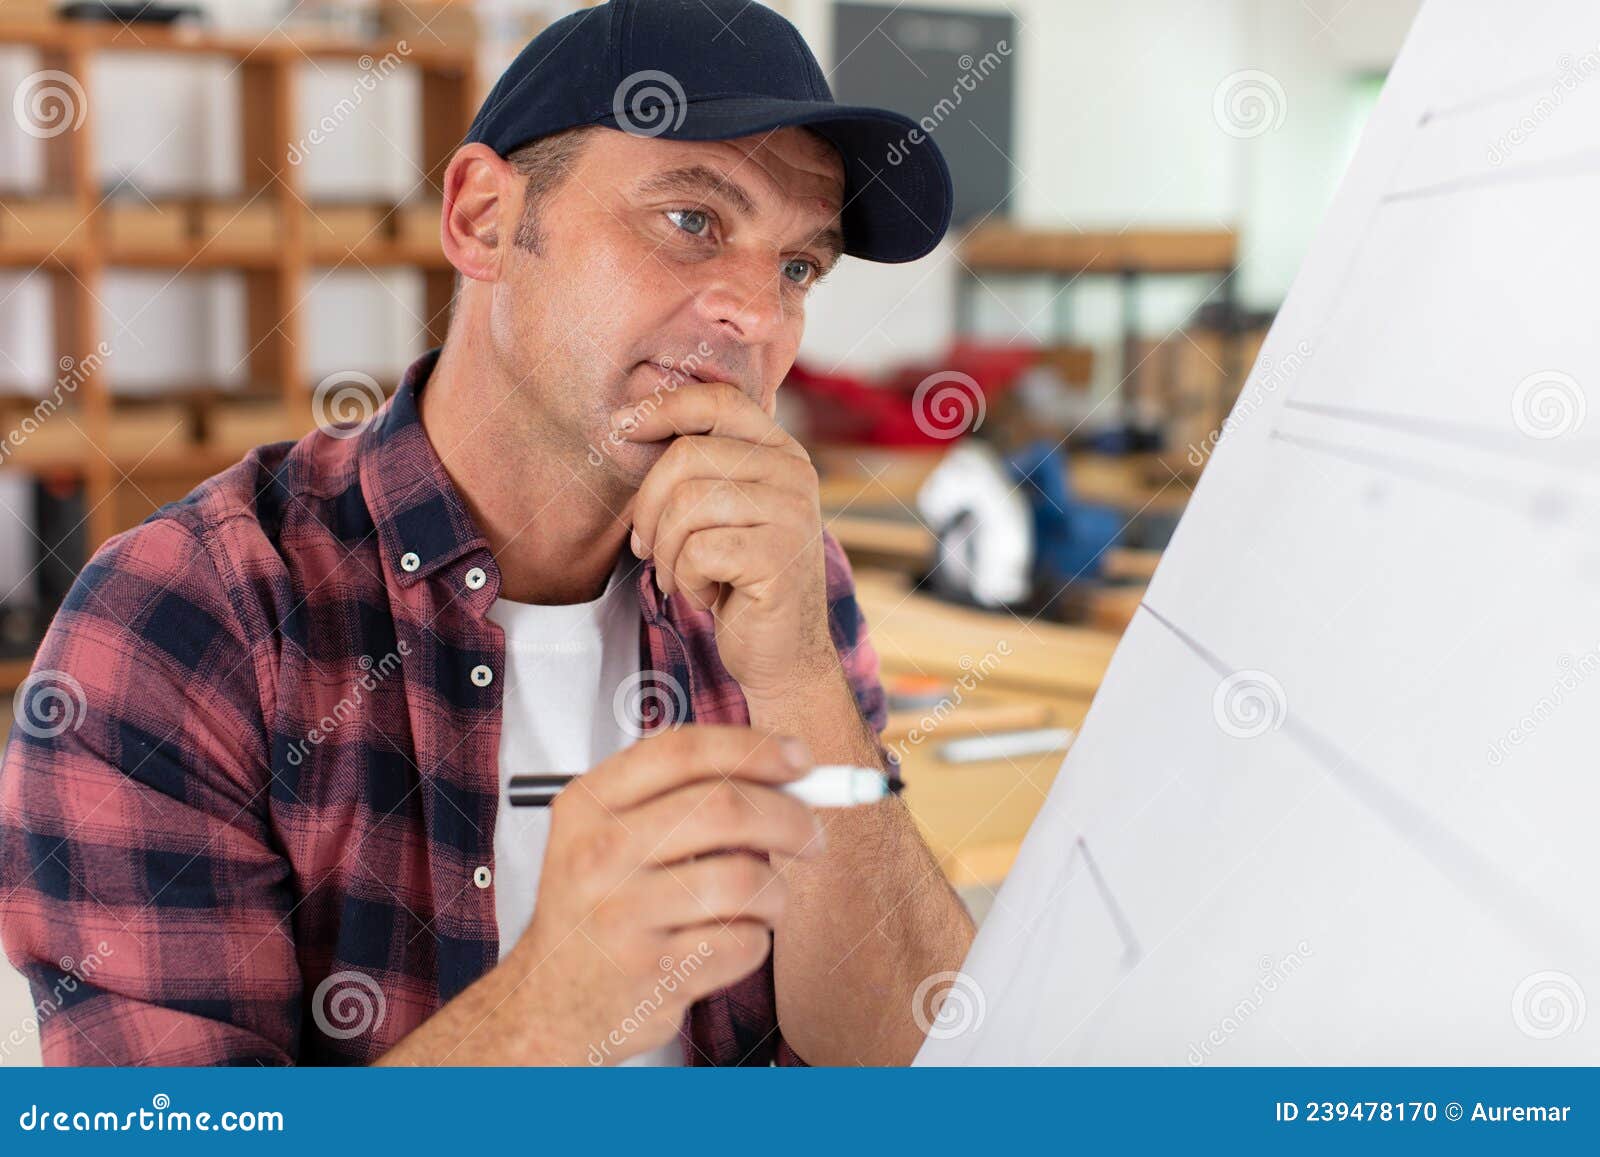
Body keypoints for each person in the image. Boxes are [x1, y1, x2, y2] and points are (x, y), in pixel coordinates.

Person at [0, 0, 974, 1066]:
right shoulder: (187, 618)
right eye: (691, 220)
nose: (755, 311)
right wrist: (551, 1008)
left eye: (798, 267)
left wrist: (798, 679)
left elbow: (917, 1061)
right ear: (481, 217)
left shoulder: (785, 579)